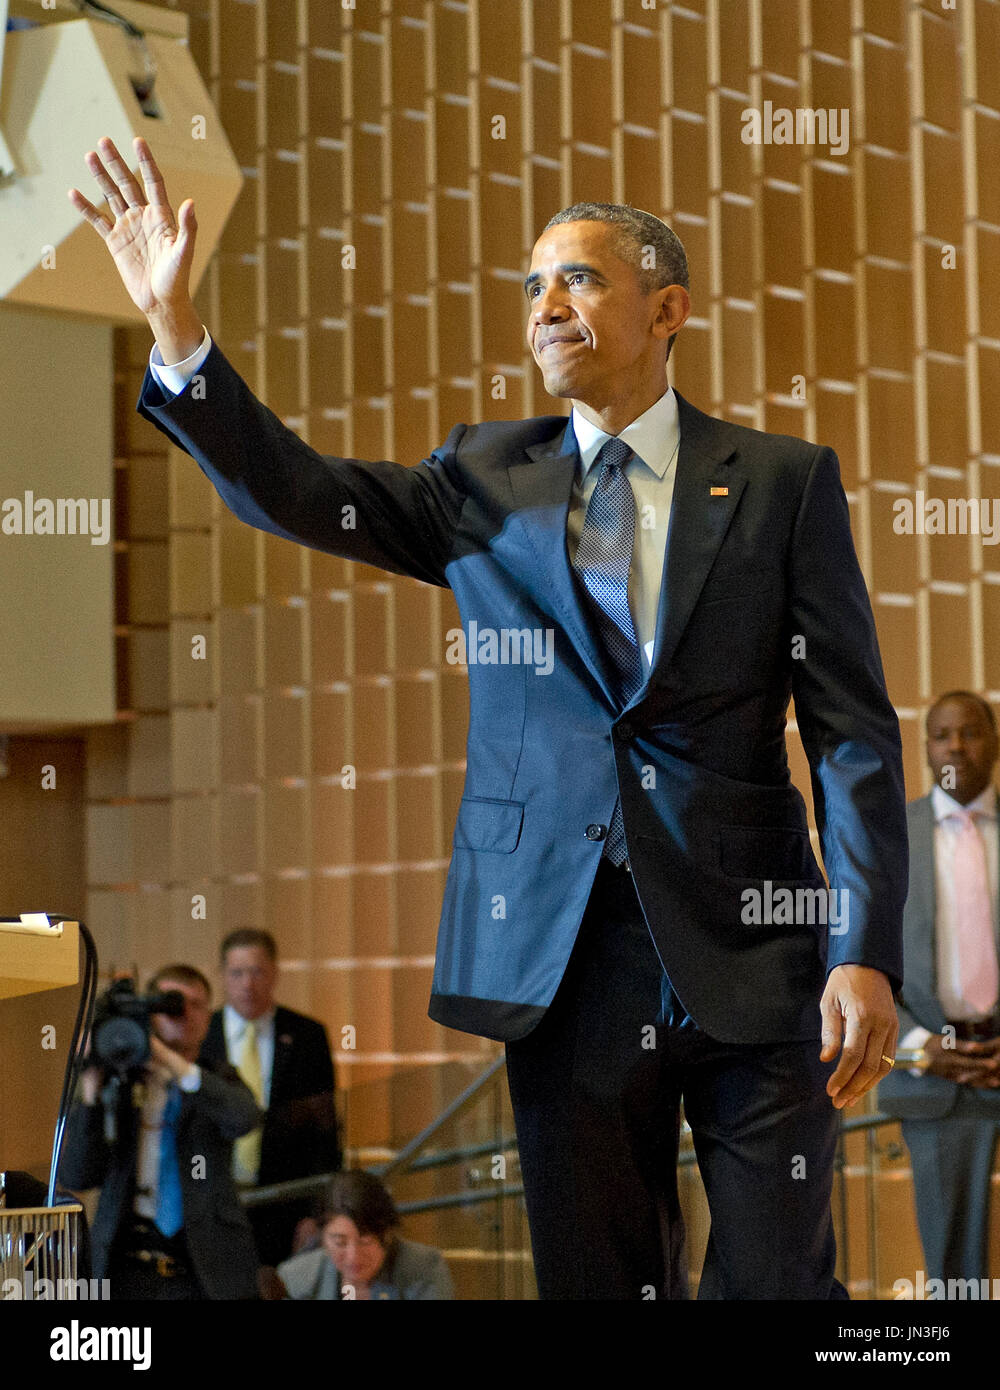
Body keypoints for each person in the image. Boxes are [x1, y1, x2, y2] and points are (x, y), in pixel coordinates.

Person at [69, 137, 908, 1300]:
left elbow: (853, 734)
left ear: (670, 307)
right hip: (559, 958)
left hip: (757, 945)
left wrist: (864, 946)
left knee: (777, 1278)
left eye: (579, 278)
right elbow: (306, 493)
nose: (545, 305)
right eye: (531, 286)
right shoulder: (480, 477)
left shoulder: (780, 479)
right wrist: (177, 335)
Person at [879, 691, 1000, 1282]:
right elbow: (853, 961)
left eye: (970, 732)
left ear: (994, 743)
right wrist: (919, 1046)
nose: (955, 745)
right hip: (932, 1077)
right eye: (940, 734)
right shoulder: (887, 839)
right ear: (925, 747)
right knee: (955, 1274)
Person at [59, 964, 262, 1300]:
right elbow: (77, 1175)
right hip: (125, 1267)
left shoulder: (217, 1079)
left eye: (195, 1005)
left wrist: (168, 1059)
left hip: (202, 1270)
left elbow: (243, 1119)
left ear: (208, 1019)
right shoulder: (120, 1084)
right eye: (170, 1005)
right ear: (149, 1013)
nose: (182, 1014)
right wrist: (92, 1091)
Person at [199, 927, 342, 1265]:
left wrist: (316, 1214)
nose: (247, 984)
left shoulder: (307, 1036)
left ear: (275, 973)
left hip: (285, 1204)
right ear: (221, 976)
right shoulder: (202, 1035)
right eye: (237, 973)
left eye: (257, 971)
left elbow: (325, 1133)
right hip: (213, 1203)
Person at [276, 1170, 454, 1300]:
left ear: (387, 1234)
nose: (353, 1257)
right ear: (323, 1238)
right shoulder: (295, 1279)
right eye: (340, 1243)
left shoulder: (422, 1269)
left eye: (365, 1241)